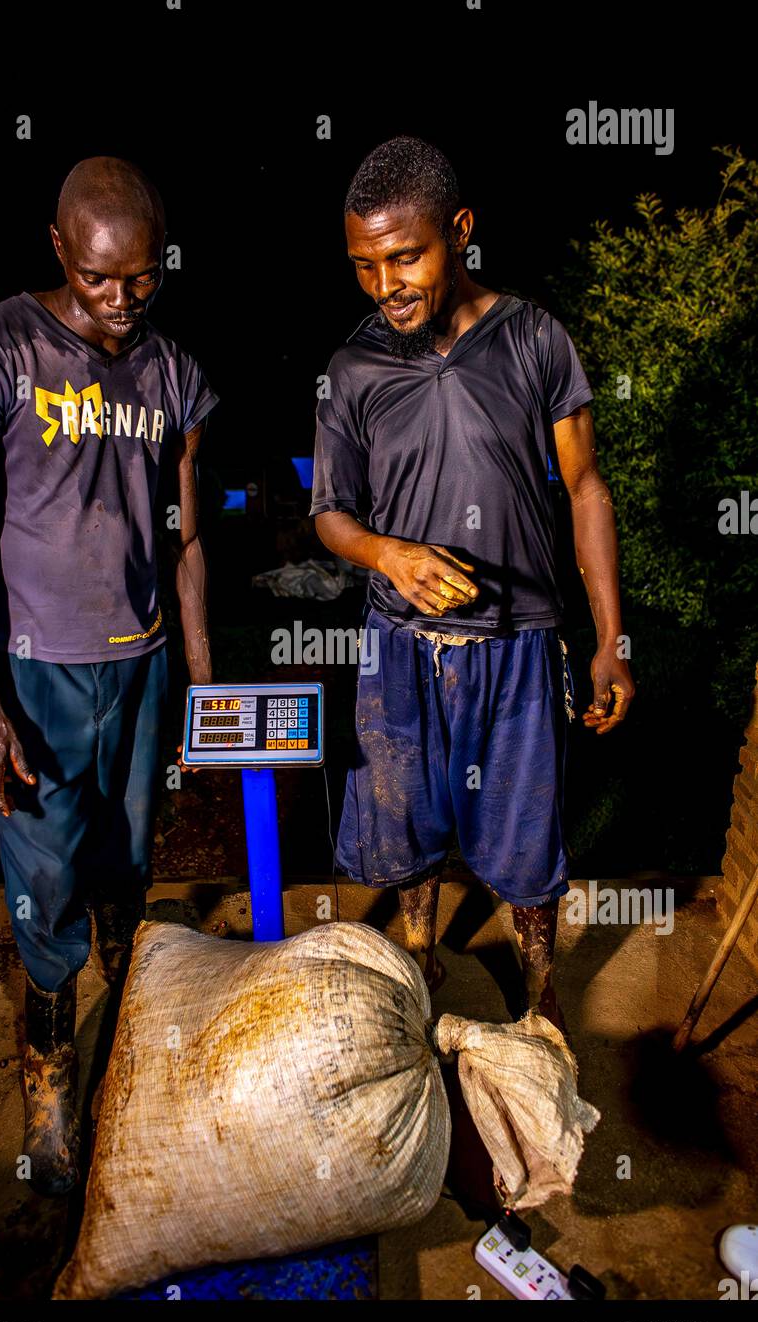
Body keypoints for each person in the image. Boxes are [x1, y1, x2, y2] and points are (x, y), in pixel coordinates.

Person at [311, 136, 634, 1039]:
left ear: (459, 231)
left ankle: (541, 996)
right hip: (400, 646)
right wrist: (390, 557)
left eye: (405, 256)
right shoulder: (351, 370)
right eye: (364, 266)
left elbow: (586, 489)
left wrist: (609, 639)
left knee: (526, 841)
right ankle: (418, 959)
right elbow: (331, 514)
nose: (386, 285)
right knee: (405, 825)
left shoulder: (534, 339)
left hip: (519, 644)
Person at [0, 156, 218, 1195]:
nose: (119, 300)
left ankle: (128, 1016)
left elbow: (185, 536)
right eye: (99, 278)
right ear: (61, 250)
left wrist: (200, 678)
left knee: (128, 860)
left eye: (141, 277)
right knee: (43, 884)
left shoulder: (173, 371)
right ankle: (50, 1076)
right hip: (36, 673)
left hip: (140, 669)